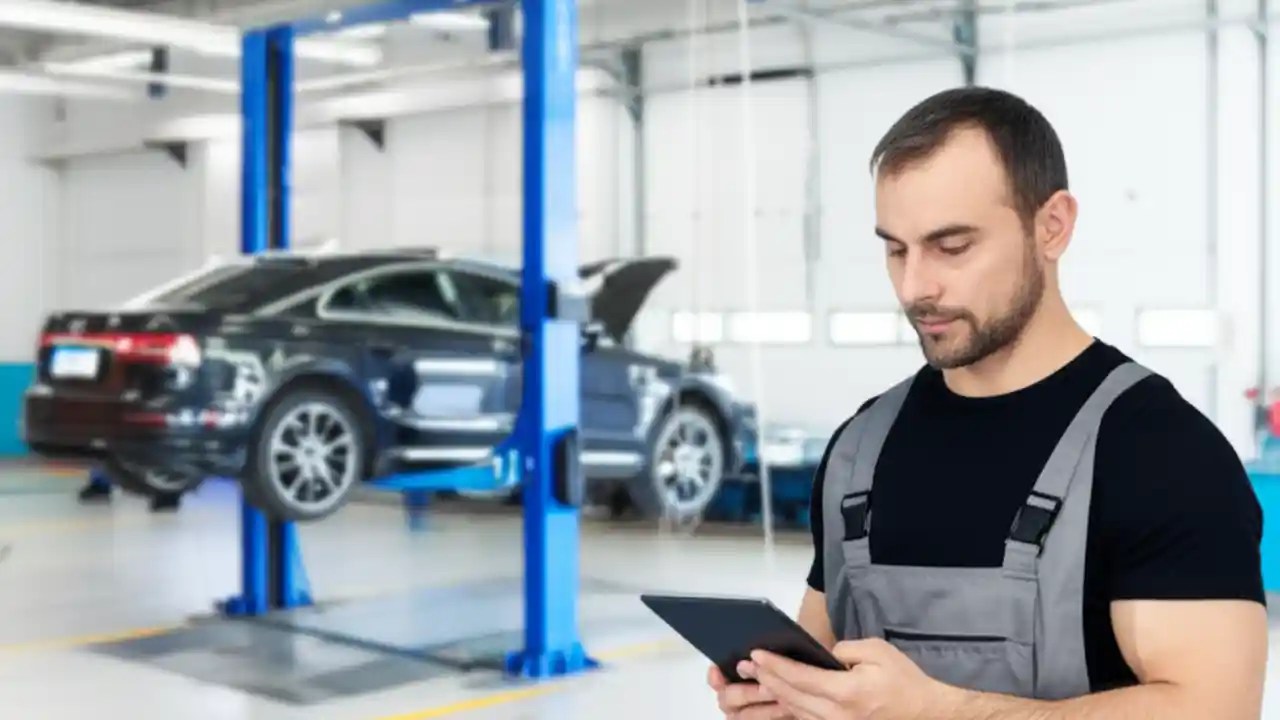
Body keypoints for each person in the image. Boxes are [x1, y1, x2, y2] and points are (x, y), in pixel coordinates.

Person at [710, 86, 1268, 718]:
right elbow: (827, 661)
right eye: (896, 249)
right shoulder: (857, 450)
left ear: (1051, 226)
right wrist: (787, 698)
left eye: (953, 247)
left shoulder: (1163, 455)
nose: (917, 287)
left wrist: (939, 711)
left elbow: (1213, 709)